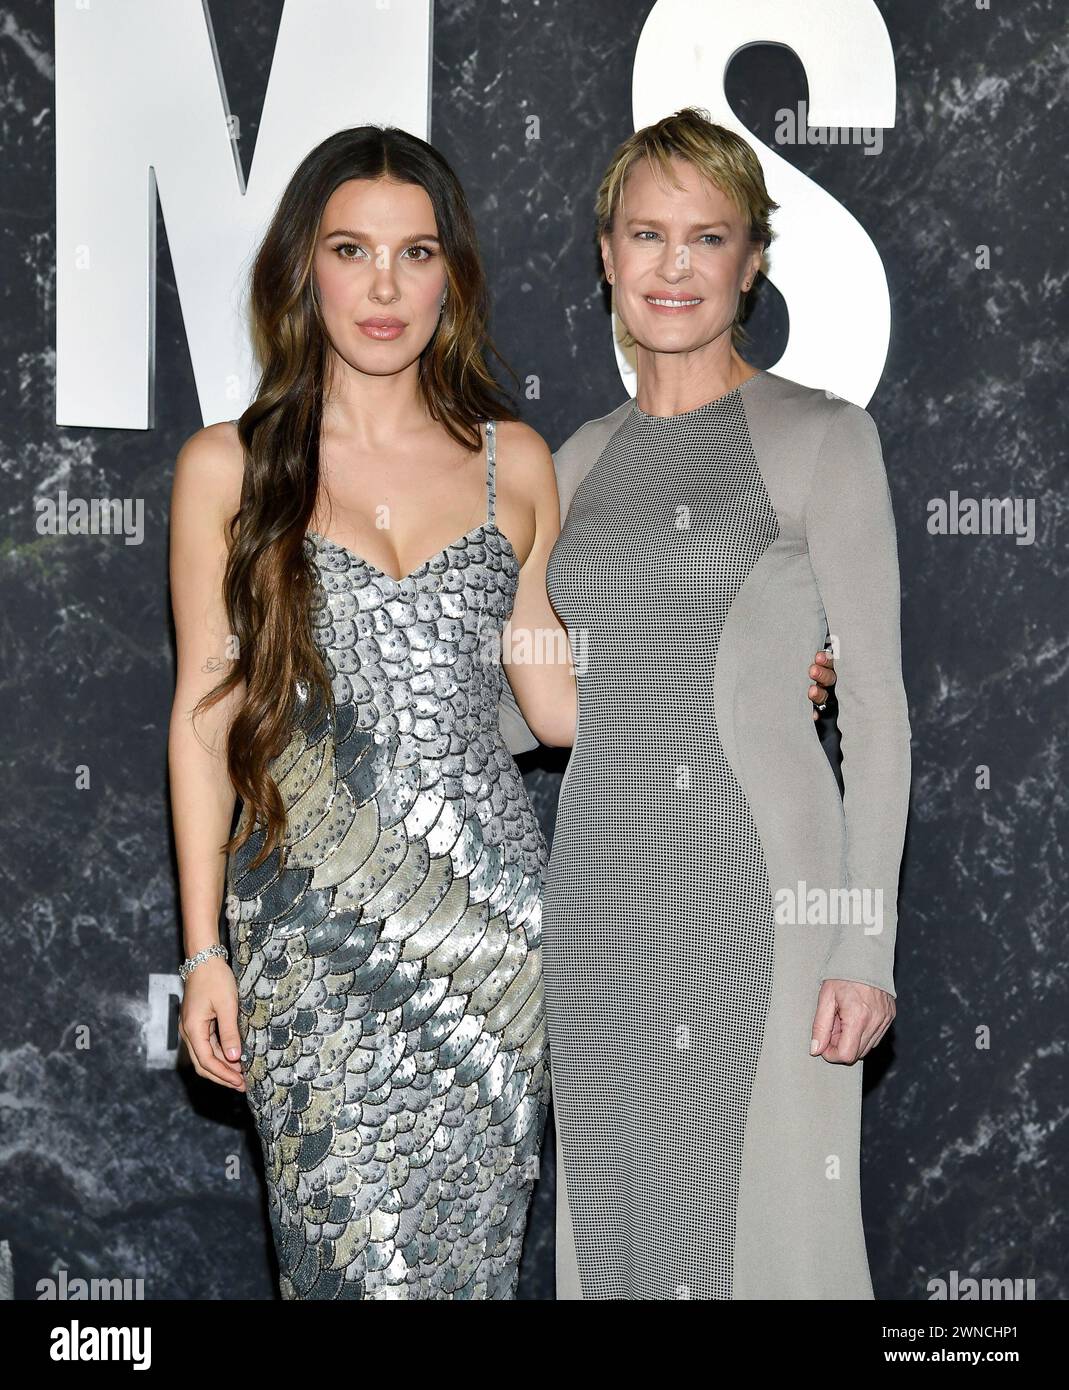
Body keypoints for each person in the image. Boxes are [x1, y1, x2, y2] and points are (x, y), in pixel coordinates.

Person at [168, 121, 837, 1301]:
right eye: (351, 250)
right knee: (346, 1270)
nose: (384, 287)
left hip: (495, 945)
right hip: (312, 949)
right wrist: (204, 948)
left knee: (470, 1273)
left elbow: (561, 702)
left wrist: (759, 664)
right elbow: (203, 714)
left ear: (451, 278)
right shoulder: (228, 467)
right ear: (302, 268)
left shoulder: (511, 461)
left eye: (416, 254)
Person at [517, 107, 911, 1300]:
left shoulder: (822, 440)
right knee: (620, 1235)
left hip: (761, 896)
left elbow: (879, 713)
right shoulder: (572, 460)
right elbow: (533, 706)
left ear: (752, 262)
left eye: (707, 237)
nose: (673, 267)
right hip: (597, 908)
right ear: (606, 255)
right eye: (646, 234)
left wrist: (865, 943)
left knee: (767, 1236)